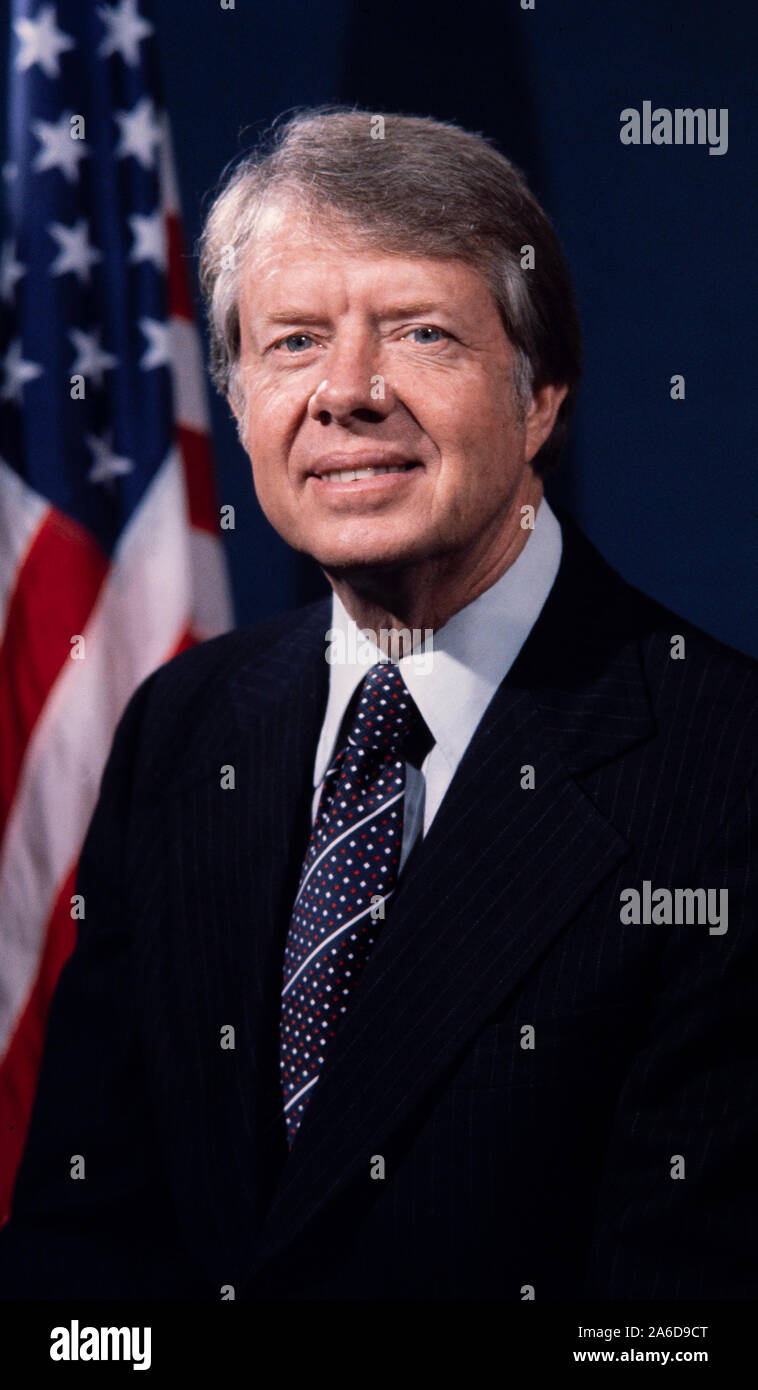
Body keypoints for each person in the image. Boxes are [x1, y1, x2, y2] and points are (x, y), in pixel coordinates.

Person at [1, 108, 756, 1301]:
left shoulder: (724, 768)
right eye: (292, 341)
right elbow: (80, 1253)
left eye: (417, 333)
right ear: (238, 401)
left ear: (540, 392)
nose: (346, 393)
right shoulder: (182, 728)